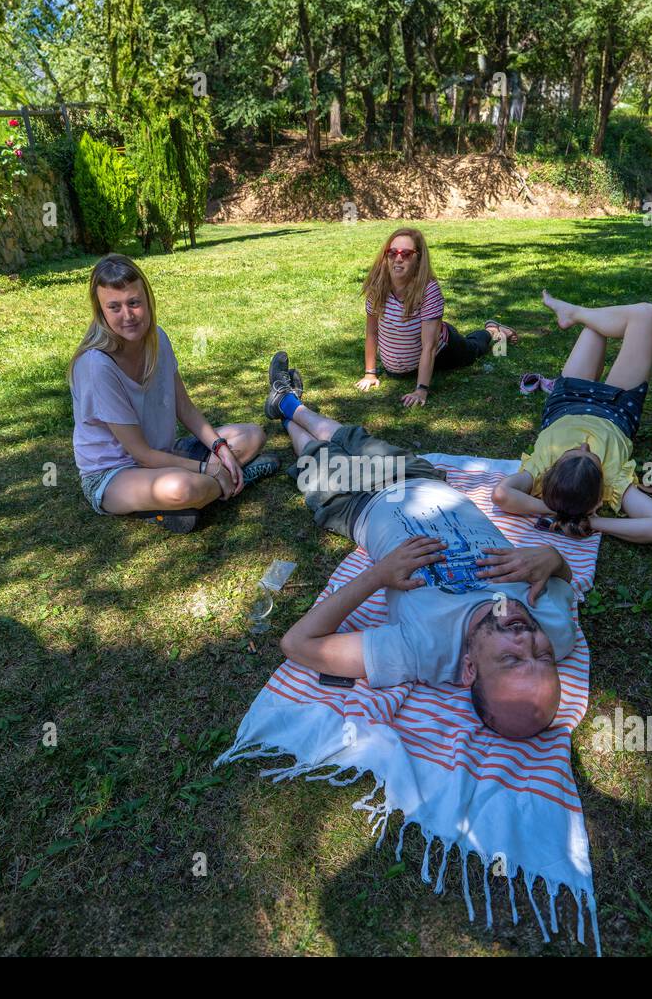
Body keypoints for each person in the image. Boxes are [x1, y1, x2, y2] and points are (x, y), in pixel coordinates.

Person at [265, 356, 578, 740]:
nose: (526, 638)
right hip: (424, 481)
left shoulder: (423, 651)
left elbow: (298, 643)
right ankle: (291, 404)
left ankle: (284, 414)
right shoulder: (557, 632)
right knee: (352, 438)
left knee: (317, 455)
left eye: (511, 657)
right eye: (542, 656)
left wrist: (378, 575)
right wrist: (554, 558)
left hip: (358, 505)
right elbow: (566, 578)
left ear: (469, 669)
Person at [69, 254, 279, 533]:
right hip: (115, 474)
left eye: (134, 302)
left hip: (164, 452)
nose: (128, 315)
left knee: (252, 435)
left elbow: (185, 408)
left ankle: (207, 491)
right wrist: (207, 468)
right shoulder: (97, 366)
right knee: (182, 488)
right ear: (101, 311)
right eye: (114, 307)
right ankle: (231, 480)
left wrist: (219, 449)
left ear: (148, 301)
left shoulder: (158, 339)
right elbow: (141, 455)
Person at [493, 293, 652, 544]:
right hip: (616, 407)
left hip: (566, 403)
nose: (583, 445)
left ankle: (574, 313)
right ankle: (573, 312)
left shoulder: (538, 472)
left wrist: (553, 510)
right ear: (599, 498)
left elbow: (501, 495)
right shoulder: (613, 482)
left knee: (596, 327)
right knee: (648, 313)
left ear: (550, 473)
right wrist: (590, 520)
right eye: (591, 457)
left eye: (571, 453)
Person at [356, 227, 518, 408]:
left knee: (473, 350)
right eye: (392, 252)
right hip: (409, 361)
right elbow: (372, 332)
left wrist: (421, 389)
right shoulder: (377, 287)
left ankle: (493, 330)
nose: (398, 258)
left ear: (418, 259)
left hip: (443, 348)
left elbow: (430, 346)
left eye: (407, 254)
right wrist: (370, 373)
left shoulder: (428, 289)